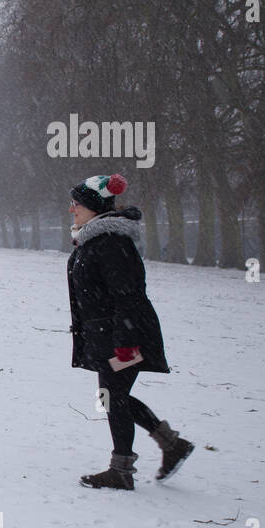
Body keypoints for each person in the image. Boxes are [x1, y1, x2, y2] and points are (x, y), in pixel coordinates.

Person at [68, 174, 194, 489]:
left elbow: (129, 296)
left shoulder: (110, 243)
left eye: (77, 204)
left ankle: (122, 470)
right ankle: (170, 444)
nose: (72, 209)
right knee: (113, 396)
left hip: (126, 336)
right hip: (110, 336)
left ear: (94, 208)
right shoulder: (95, 239)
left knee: (112, 396)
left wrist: (124, 346)